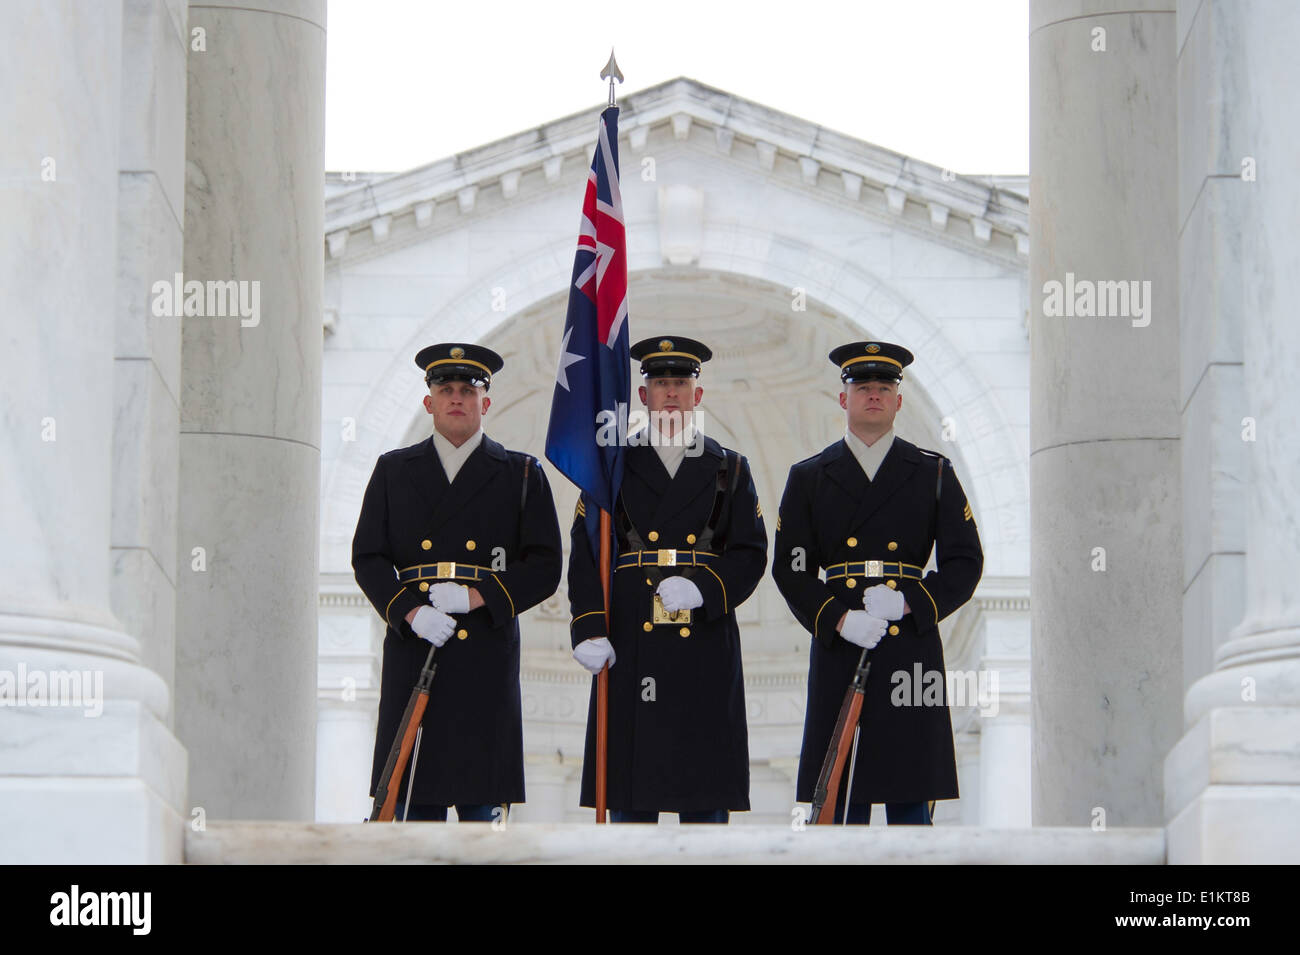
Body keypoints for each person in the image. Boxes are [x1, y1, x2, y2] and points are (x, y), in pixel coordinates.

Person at [772, 341, 983, 825]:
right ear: (842, 399)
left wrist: (909, 603)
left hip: (910, 645)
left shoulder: (933, 473)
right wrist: (839, 619)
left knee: (910, 795)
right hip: (842, 644)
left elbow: (965, 561)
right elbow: (792, 566)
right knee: (840, 797)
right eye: (862, 387)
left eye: (884, 388)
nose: (873, 395)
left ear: (898, 401)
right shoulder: (808, 476)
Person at [352, 342, 562, 822]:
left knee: (481, 806)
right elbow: (367, 558)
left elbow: (545, 566)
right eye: (445, 388)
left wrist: (475, 597)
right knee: (413, 806)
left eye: (469, 390)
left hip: (484, 650)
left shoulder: (522, 474)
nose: (457, 398)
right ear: (429, 402)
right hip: (415, 647)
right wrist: (411, 611)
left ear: (485, 403)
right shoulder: (393, 469)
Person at [568, 336, 768, 823]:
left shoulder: (730, 467)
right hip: (630, 635)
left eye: (681, 382)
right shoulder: (611, 467)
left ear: (698, 396)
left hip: (703, 636)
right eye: (660, 383)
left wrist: (704, 588)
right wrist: (589, 626)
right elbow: (587, 549)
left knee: (703, 803)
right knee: (631, 808)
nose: (671, 392)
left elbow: (750, 553)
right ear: (643, 396)